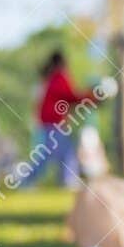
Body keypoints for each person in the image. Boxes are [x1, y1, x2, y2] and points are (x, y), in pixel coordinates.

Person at [21, 50, 91, 188]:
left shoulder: (51, 78)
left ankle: (67, 180)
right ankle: (28, 181)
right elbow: (71, 96)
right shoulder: (59, 77)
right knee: (50, 153)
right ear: (62, 63)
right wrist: (91, 97)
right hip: (53, 122)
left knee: (64, 151)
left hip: (50, 122)